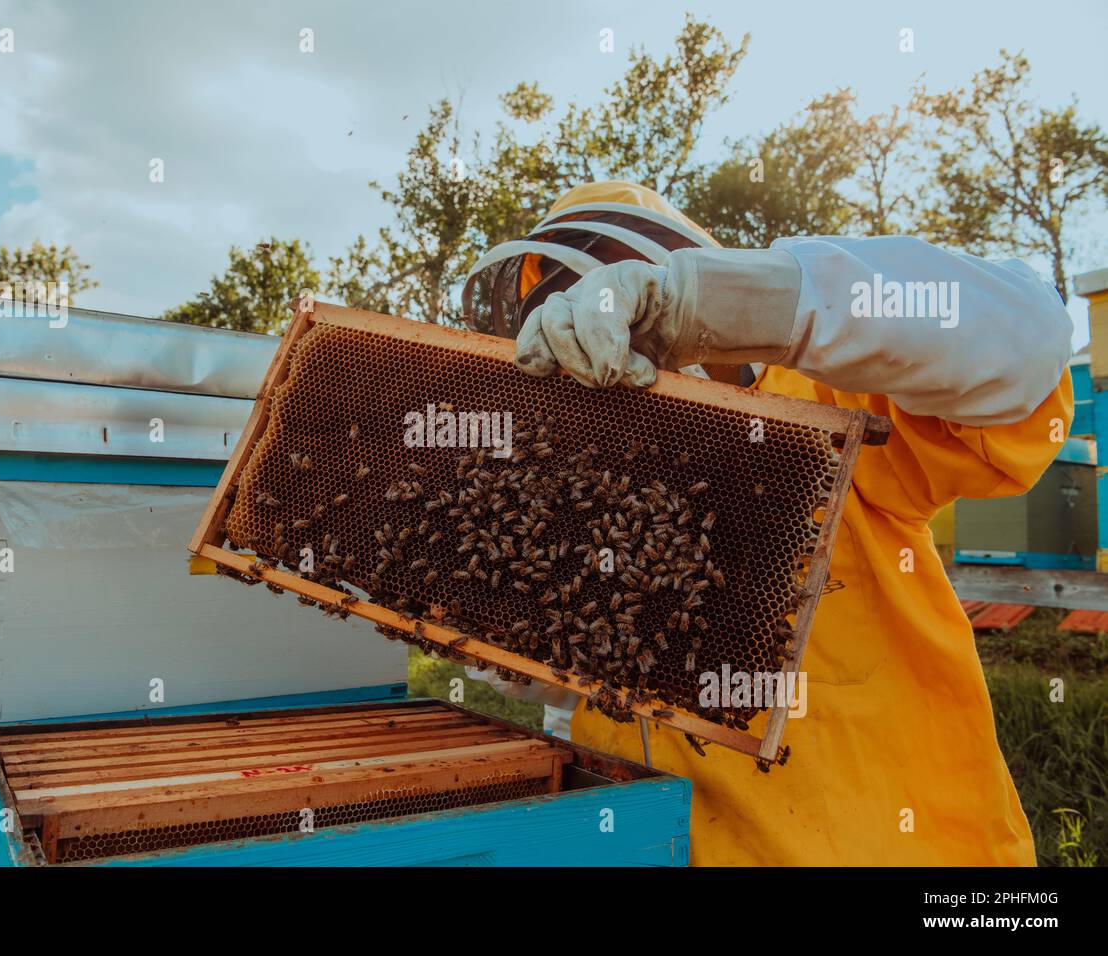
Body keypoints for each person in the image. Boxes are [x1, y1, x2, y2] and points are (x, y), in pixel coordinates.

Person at [460, 180, 1073, 865]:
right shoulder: (574, 492)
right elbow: (573, 683)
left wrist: (729, 303)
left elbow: (1027, 338)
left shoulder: (832, 404)